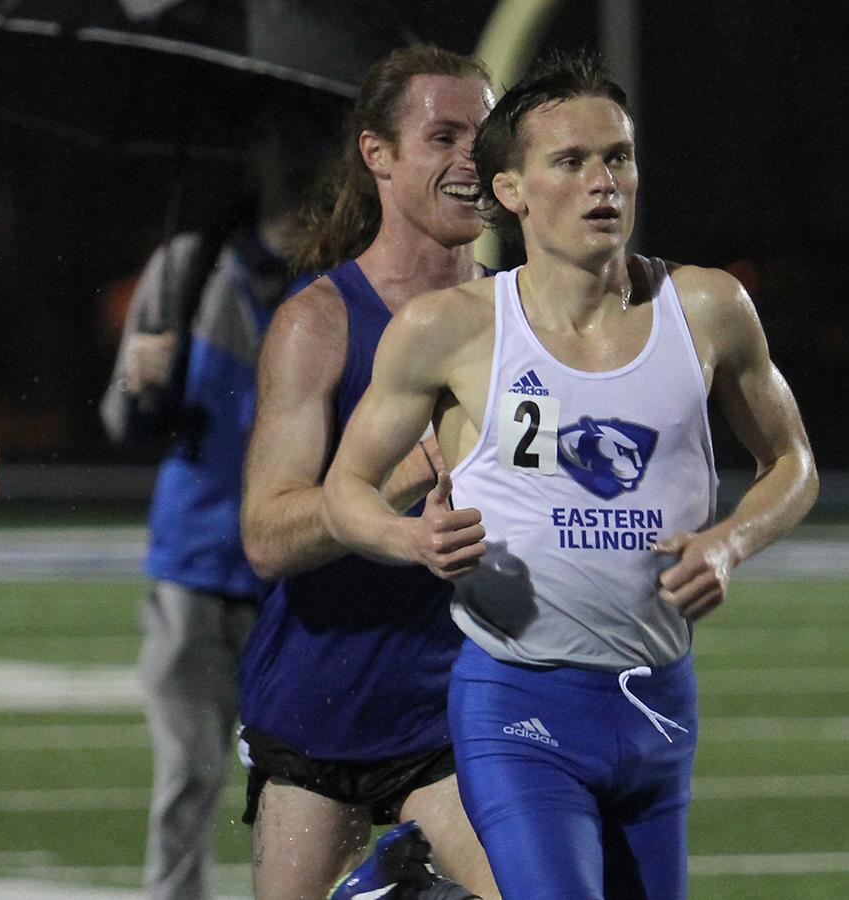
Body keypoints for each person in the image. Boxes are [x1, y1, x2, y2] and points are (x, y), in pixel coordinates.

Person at [321, 53, 818, 899]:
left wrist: (731, 544)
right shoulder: (451, 327)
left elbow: (793, 465)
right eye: (571, 162)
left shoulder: (707, 309)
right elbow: (344, 492)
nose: (604, 182)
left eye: (617, 157)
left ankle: (414, 894)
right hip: (517, 697)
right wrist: (411, 536)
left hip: (658, 700)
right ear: (509, 190)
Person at [236, 46, 499, 900]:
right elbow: (268, 537)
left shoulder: (527, 316)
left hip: (461, 709)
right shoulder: (321, 322)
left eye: (488, 137)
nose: (473, 160)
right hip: (324, 706)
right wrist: (403, 479)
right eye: (445, 136)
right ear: (376, 153)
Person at [100, 111, 328, 900]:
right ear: (256, 150)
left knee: (313, 793)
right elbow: (123, 424)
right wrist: (140, 380)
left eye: (314, 139)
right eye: (283, 137)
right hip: (194, 566)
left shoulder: (346, 281)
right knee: (189, 779)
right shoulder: (189, 267)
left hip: (301, 574)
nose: (297, 155)